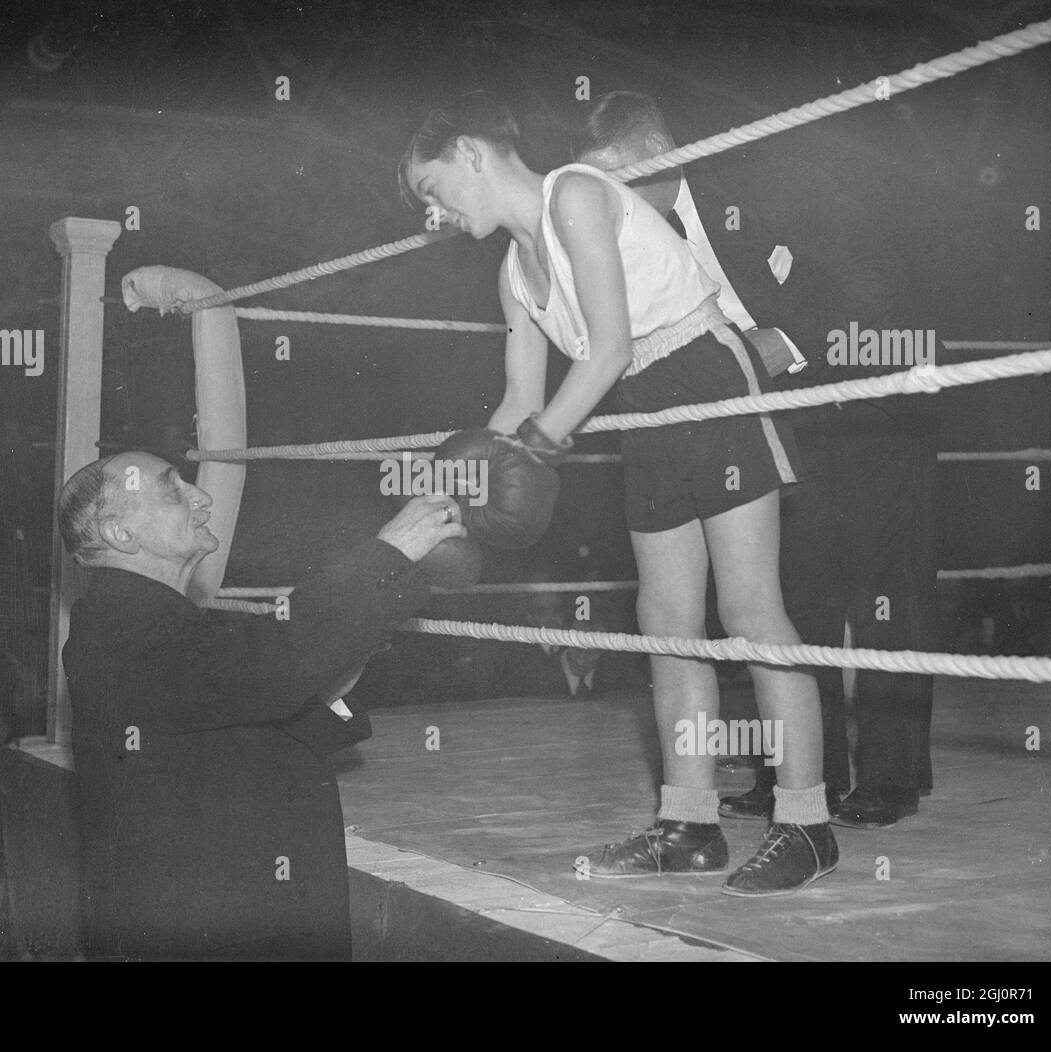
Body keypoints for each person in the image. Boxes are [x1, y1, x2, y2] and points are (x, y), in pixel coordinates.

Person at [402, 91, 835, 895]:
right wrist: (450, 486)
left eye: (434, 189)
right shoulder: (511, 276)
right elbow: (520, 403)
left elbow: (603, 353)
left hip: (706, 376)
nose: (437, 212)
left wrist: (535, 453)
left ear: (470, 152)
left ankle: (807, 823)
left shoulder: (574, 193)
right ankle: (690, 823)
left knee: (750, 610)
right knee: (664, 622)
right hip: (643, 408)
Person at [577, 91, 939, 828]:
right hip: (770, 418)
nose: (603, 200)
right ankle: (804, 778)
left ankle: (894, 776)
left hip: (868, 403)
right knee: (783, 595)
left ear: (655, 147)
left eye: (613, 178)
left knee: (882, 590)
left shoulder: (767, 184)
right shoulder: (626, 235)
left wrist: (792, 340)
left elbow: (878, 271)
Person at [59, 451, 468, 959]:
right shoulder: (120, 629)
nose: (201, 495)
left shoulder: (155, 627)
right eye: (173, 487)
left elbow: (258, 711)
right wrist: (387, 554)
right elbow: (270, 667)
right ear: (122, 534)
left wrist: (384, 604)